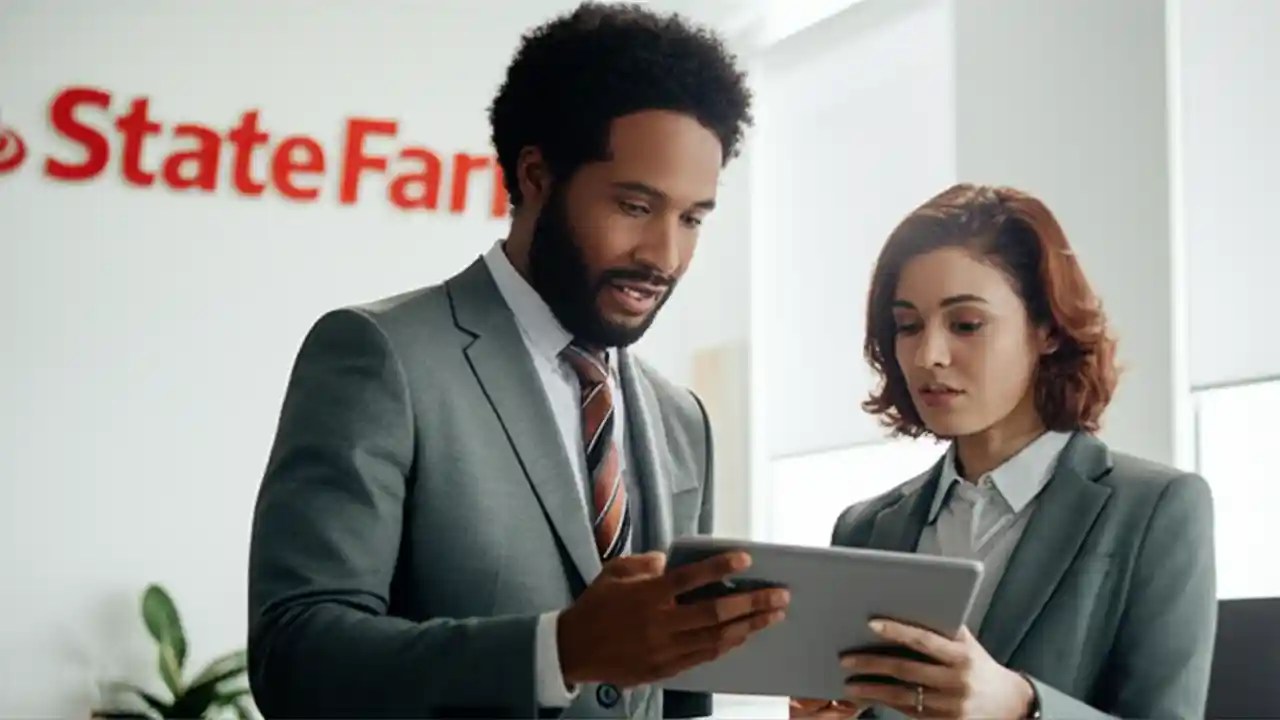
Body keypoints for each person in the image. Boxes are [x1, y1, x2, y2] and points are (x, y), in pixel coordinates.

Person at [246, 4, 791, 718]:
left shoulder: (681, 418)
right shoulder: (380, 357)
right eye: (634, 205)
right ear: (536, 175)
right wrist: (558, 651)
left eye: (692, 218)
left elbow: (682, 691)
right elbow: (296, 655)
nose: (665, 256)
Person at [792, 184, 1216, 720]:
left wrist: (1024, 708)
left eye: (966, 324)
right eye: (907, 326)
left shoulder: (1157, 509)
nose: (929, 356)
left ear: (1046, 329)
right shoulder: (863, 529)